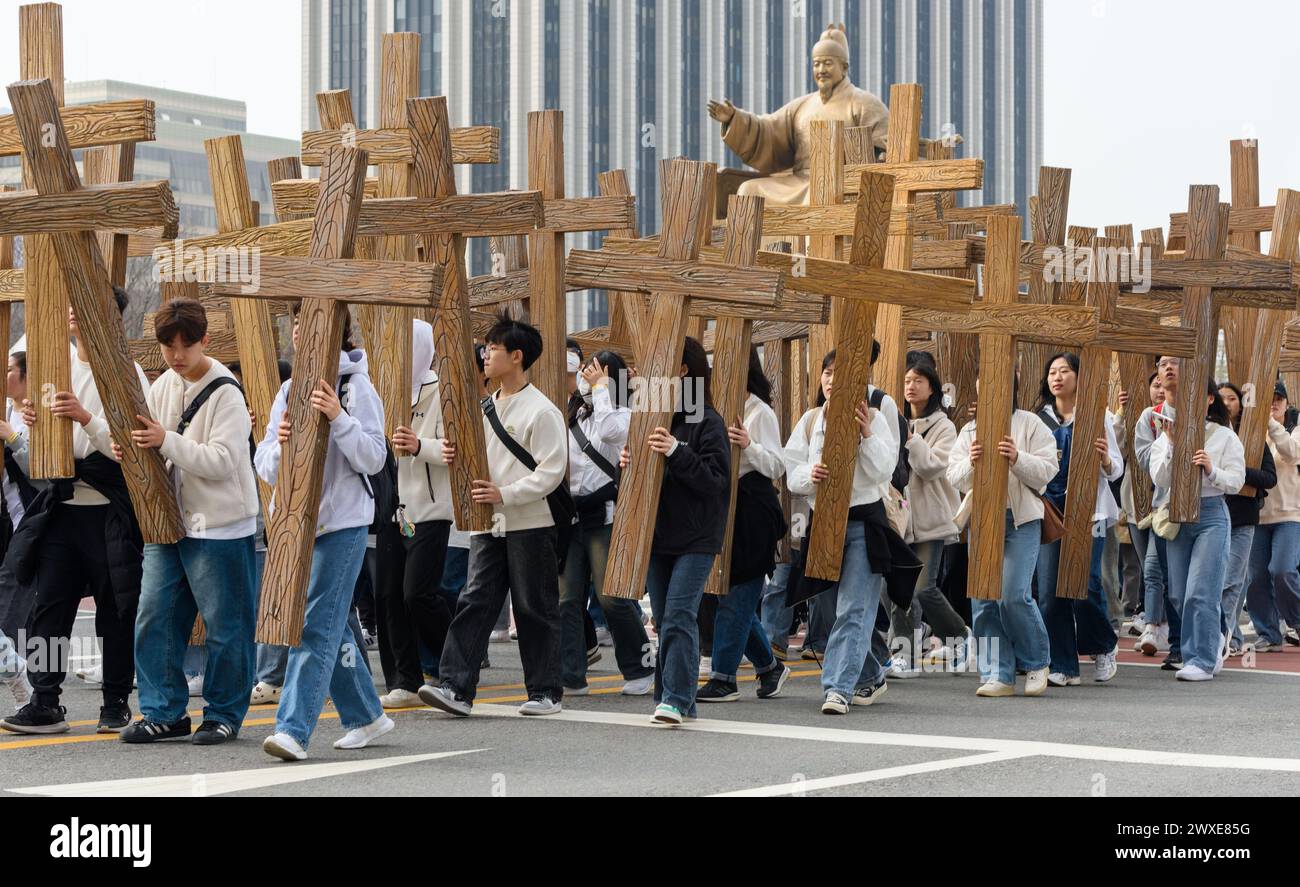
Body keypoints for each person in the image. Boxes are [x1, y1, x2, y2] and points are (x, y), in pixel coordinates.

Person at [1, 290, 149, 735]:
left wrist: (85, 417)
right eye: (69, 304)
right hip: (61, 507)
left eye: (81, 305)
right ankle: (46, 702)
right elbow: (35, 464)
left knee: (115, 608)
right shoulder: (53, 366)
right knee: (50, 607)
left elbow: (131, 449)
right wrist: (32, 429)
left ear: (111, 317)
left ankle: (116, 701)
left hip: (109, 509)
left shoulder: (127, 371)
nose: (71, 312)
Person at [117, 298, 259, 745]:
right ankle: (164, 711)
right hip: (168, 521)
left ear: (204, 341)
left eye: (185, 345)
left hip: (219, 524)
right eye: (168, 345)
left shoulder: (226, 391)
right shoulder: (164, 386)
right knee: (154, 616)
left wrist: (165, 440)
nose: (177, 355)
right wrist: (130, 447)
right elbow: (153, 441)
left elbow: (222, 461)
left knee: (225, 625)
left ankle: (224, 714)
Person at [256, 309, 393, 760]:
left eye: (310, 322)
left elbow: (374, 457)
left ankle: (293, 729)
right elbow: (265, 466)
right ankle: (367, 715)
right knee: (337, 627)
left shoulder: (357, 387)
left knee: (314, 625)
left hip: (344, 524)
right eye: (295, 324)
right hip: (295, 524)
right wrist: (279, 442)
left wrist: (339, 417)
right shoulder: (288, 389)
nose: (299, 332)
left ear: (336, 330)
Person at [421, 315, 567, 718]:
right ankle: (455, 687)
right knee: (475, 601)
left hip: (531, 524)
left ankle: (546, 692)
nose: (485, 354)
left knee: (533, 606)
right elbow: (460, 452)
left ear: (516, 356)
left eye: (493, 348)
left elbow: (552, 473)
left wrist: (506, 494)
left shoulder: (542, 411)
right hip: (490, 523)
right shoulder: (486, 407)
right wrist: (421, 446)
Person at [615, 338, 730, 725]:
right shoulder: (649, 416)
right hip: (658, 534)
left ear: (682, 371)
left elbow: (716, 481)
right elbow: (641, 483)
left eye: (658, 366)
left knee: (680, 614)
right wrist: (628, 464)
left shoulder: (707, 419)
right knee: (665, 618)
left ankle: (677, 699)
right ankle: (675, 698)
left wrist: (677, 451)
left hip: (697, 537)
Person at [784, 350, 899, 714]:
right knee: (829, 609)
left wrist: (865, 433)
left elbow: (885, 469)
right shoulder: (810, 419)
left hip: (865, 523)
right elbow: (792, 473)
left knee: (855, 607)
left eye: (840, 373)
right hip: (824, 523)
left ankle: (838, 688)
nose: (832, 380)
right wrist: (810, 475)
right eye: (827, 372)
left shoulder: (878, 416)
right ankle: (869, 675)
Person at [946, 376, 1059, 698]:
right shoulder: (969, 430)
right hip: (983, 520)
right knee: (983, 599)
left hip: (1021, 519)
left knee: (1014, 594)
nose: (991, 393)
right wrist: (972, 462)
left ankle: (1037, 663)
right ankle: (998, 673)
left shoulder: (1031, 423)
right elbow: (953, 477)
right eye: (985, 388)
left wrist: (1017, 457)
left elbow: (1048, 470)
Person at [560, 348, 655, 698]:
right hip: (571, 516)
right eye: (586, 372)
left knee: (613, 596)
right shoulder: (572, 413)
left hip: (606, 514)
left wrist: (602, 390)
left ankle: (641, 666)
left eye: (595, 372)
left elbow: (612, 432)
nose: (586, 377)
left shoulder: (625, 413)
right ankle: (570, 674)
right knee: (565, 597)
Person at [697, 347, 790, 702]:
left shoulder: (759, 411)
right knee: (727, 598)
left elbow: (777, 467)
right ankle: (770, 668)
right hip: (719, 506)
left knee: (736, 597)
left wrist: (749, 445)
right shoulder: (705, 406)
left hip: (752, 509)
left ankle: (723, 678)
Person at [709, 25, 887, 208]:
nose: (821, 69)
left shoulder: (865, 103)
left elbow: (884, 147)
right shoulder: (803, 105)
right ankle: (746, 237)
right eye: (817, 64)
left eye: (828, 63)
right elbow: (768, 129)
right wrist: (734, 118)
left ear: (844, 68)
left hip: (842, 184)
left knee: (819, 194)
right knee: (749, 190)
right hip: (798, 181)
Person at [373, 320, 455, 709]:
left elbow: (456, 451)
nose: (399, 358)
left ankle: (454, 659)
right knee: (387, 594)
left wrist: (420, 443)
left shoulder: (443, 391)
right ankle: (404, 679)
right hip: (394, 509)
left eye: (406, 348)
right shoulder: (382, 391)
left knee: (417, 593)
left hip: (431, 507)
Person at [1032, 353, 1122, 687]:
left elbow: (1118, 466)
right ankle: (1064, 664)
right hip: (1049, 510)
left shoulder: (1098, 416)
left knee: (1086, 584)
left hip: (1091, 511)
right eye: (1052, 371)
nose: (1057, 377)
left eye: (1065, 371)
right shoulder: (1038, 419)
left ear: (1079, 377)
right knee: (1049, 591)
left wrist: (1105, 461)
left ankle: (1103, 644)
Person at [1148, 382, 1244, 681]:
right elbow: (1160, 478)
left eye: (1196, 395)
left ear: (1208, 399)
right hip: (1178, 514)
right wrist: (1173, 445)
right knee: (1178, 594)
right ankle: (1212, 639)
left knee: (1201, 591)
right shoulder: (1166, 434)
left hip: (1212, 513)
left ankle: (1200, 659)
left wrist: (1212, 470)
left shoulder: (1225, 435)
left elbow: (1237, 480)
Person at [894, 358, 969, 673]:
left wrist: (912, 440)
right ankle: (905, 651)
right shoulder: (894, 419)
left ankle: (960, 635)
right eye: (908, 380)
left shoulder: (944, 425)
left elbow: (934, 466)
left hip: (932, 520)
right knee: (897, 586)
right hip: (899, 518)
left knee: (923, 587)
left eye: (918, 381)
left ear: (933, 388)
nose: (911, 386)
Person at [1133, 357, 1184, 669]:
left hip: (1200, 506)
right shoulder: (1150, 417)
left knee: (1184, 582)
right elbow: (1142, 459)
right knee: (1154, 569)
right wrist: (1166, 441)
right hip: (1163, 508)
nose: (1168, 368)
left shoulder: (1200, 408)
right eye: (1163, 363)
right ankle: (1155, 627)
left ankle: (1192, 640)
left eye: (1175, 362)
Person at [1218, 382, 1276, 658]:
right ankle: (1227, 634)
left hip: (1242, 518)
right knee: (1214, 581)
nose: (1227, 402)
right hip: (1210, 516)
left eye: (1232, 398)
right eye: (1221, 398)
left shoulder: (1252, 438)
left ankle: (1223, 636)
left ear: (1241, 404)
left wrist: (1241, 473)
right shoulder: (1206, 434)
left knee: (1233, 580)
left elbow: (1269, 478)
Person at [1245, 382, 1300, 653]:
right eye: (1268, 399)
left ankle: (1296, 622)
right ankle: (1268, 632)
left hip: (1291, 515)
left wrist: (1271, 425)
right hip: (1258, 516)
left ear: (1287, 404)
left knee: (1283, 570)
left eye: (1278, 399)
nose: (1273, 403)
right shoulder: (1253, 434)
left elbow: (1292, 453)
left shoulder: (1295, 430)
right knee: (1255, 578)